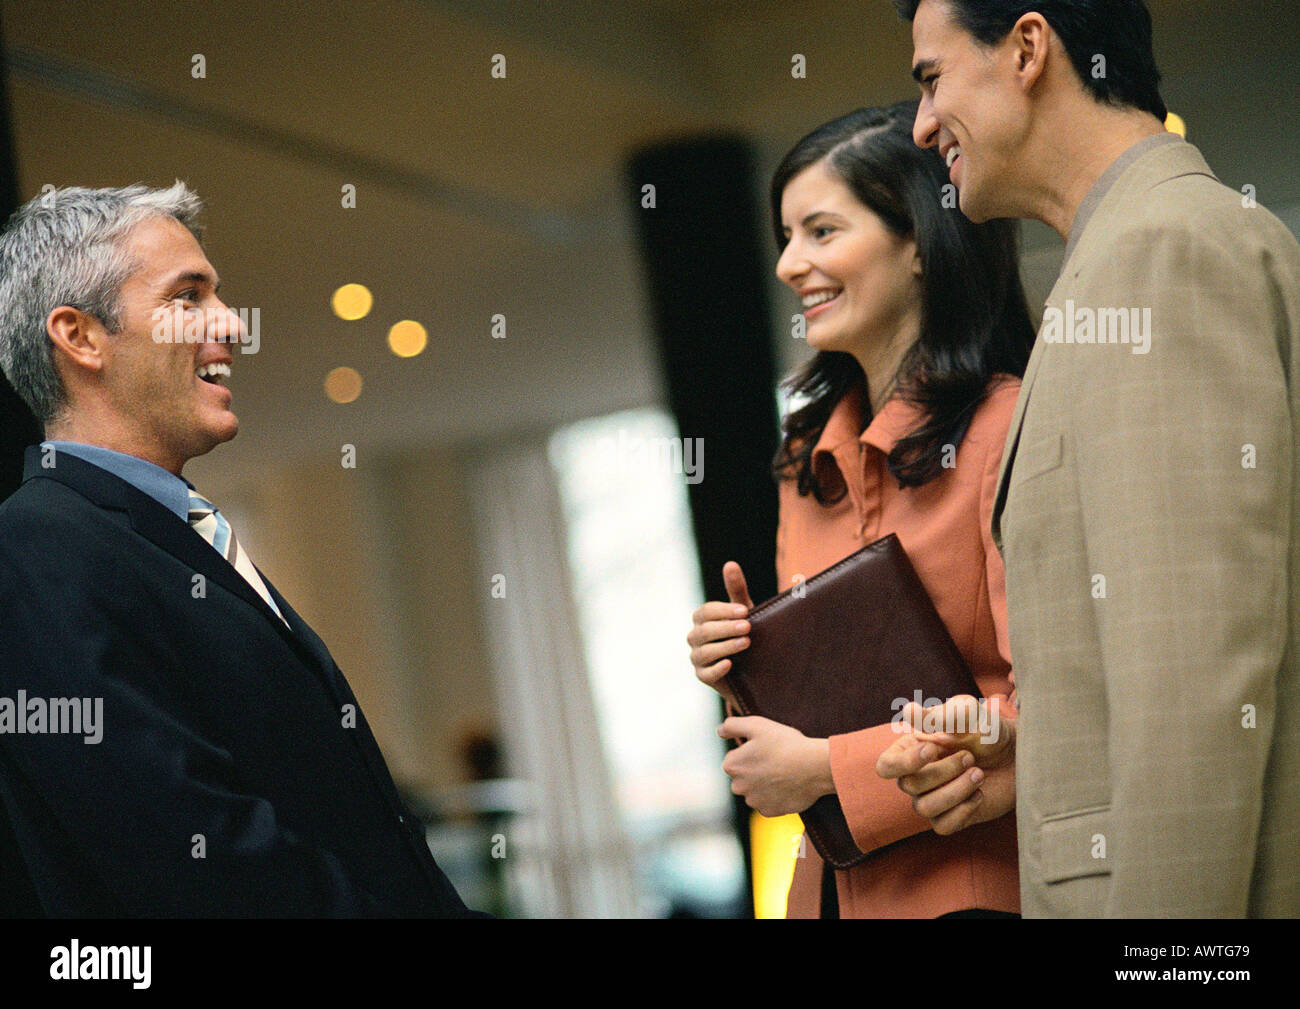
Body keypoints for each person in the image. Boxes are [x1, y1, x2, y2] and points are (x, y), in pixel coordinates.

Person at [881, 0, 1300, 917]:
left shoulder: (1160, 253)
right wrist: (1041, 759)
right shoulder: (1121, 257)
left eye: (931, 77)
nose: (919, 125)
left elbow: (1192, 695)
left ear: (1029, 48)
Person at [0, 183, 483, 917]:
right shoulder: (34, 546)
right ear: (81, 336)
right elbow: (193, 854)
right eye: (187, 297)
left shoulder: (176, 532)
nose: (230, 323)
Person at [686, 101, 1037, 917]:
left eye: (820, 231)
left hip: (972, 890)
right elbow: (823, 704)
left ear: (918, 240)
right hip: (830, 891)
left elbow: (1050, 709)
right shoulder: (806, 460)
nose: (787, 265)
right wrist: (740, 664)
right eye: (784, 238)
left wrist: (822, 768)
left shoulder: (1006, 427)